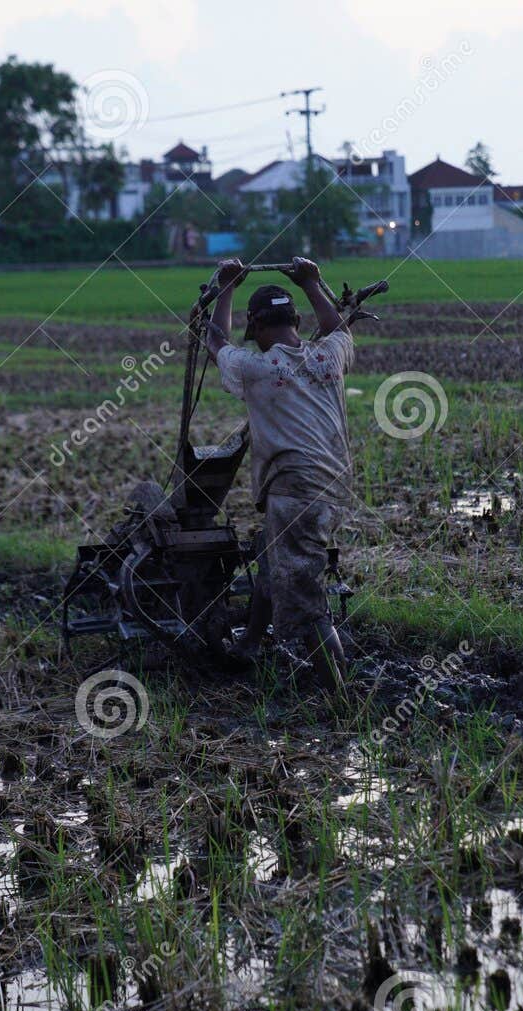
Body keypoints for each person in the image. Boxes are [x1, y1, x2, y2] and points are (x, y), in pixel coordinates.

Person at [204, 256, 354, 692]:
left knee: (306, 599)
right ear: (295, 320)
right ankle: (249, 644)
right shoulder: (329, 356)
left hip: (294, 493)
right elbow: (339, 327)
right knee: (274, 564)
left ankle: (341, 700)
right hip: (333, 487)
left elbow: (215, 340)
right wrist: (313, 282)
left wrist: (226, 285)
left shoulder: (257, 368)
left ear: (257, 327)